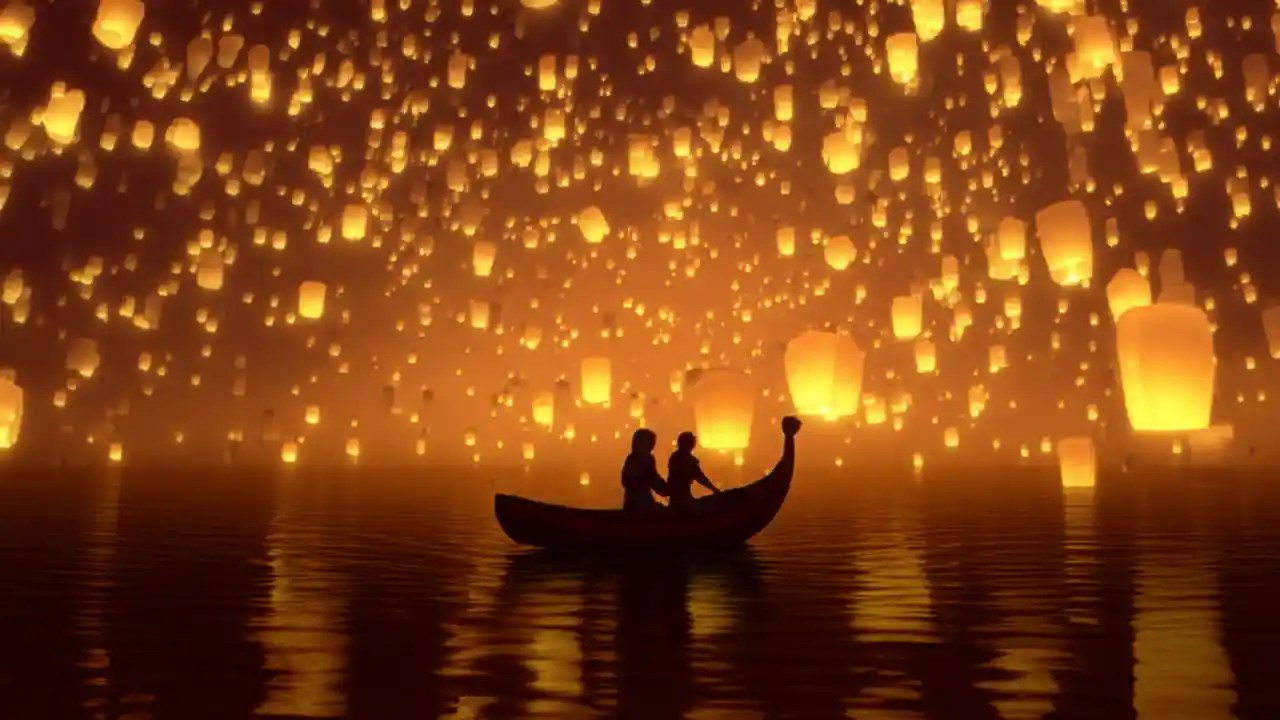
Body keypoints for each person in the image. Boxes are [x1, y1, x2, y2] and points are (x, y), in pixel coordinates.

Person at [666, 431, 720, 510]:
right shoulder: (689, 460)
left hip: (674, 496)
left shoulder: (674, 457)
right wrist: (714, 489)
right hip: (683, 496)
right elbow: (700, 477)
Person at [621, 428, 668, 511]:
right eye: (652, 442)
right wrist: (665, 489)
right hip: (640, 502)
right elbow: (653, 478)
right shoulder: (646, 459)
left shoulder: (631, 459)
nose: (653, 446)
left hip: (632, 501)